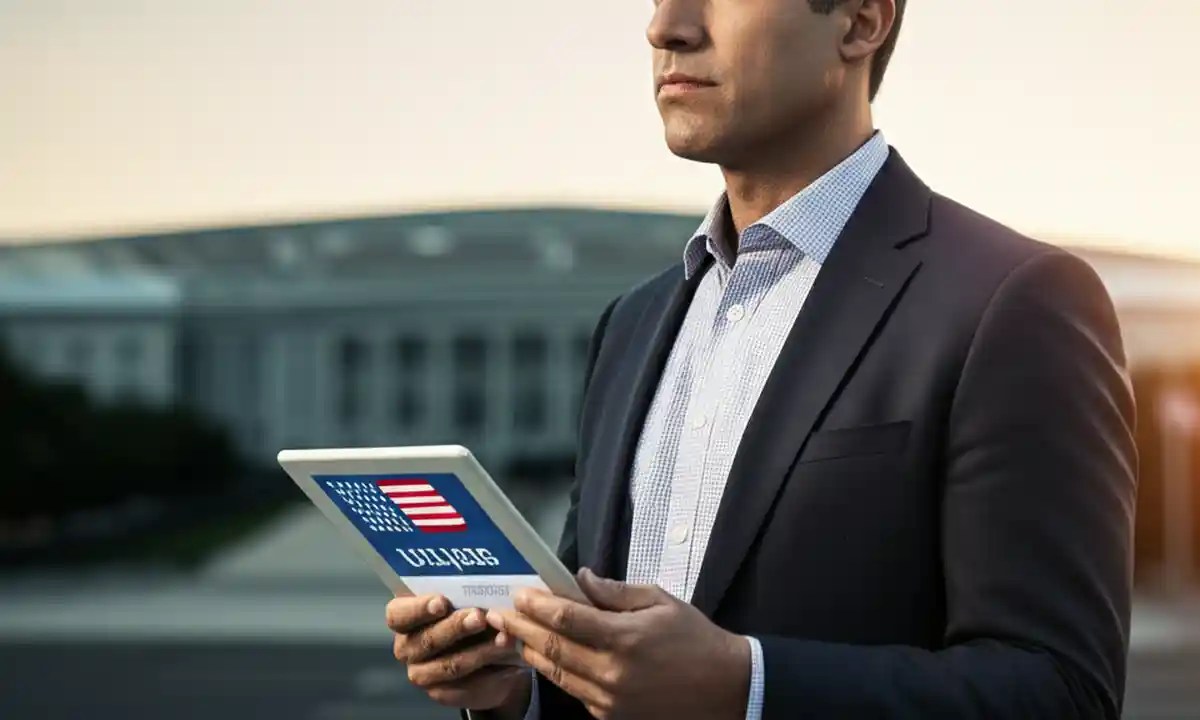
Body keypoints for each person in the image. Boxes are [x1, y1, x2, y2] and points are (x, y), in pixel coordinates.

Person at [386, 0, 1138, 717]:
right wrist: (520, 688)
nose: (665, 28)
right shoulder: (633, 324)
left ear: (860, 20)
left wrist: (746, 691)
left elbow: (1060, 691)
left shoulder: (1012, 301)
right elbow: (606, 664)